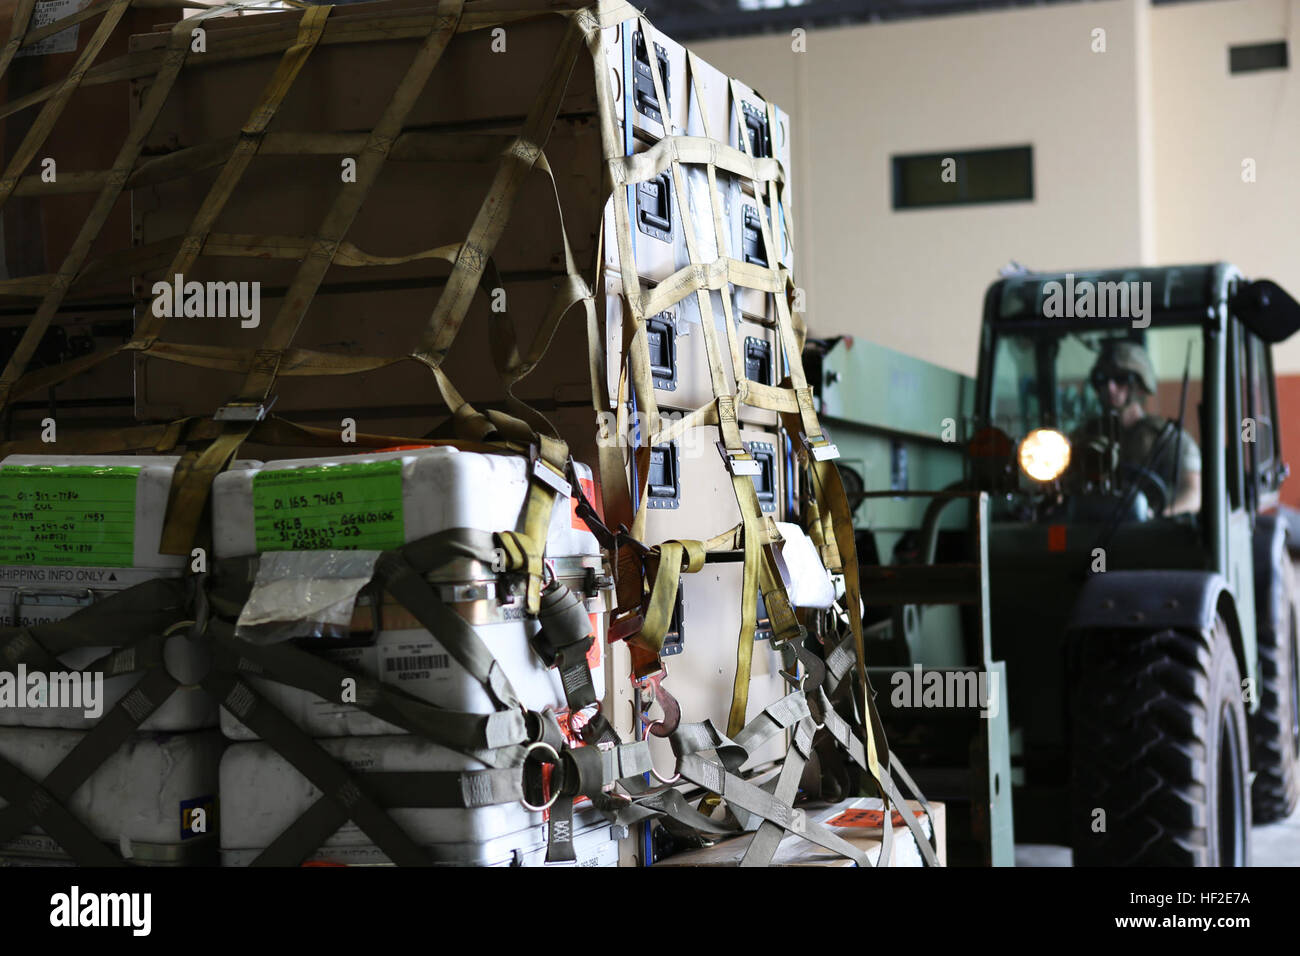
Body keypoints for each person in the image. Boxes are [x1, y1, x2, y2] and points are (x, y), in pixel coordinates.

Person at [1085, 340, 1201, 515]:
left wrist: (1158, 515)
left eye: (1121, 379)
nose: (1110, 387)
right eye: (1103, 379)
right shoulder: (1087, 436)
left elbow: (1193, 495)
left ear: (1139, 385)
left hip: (1151, 536)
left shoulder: (1167, 438)